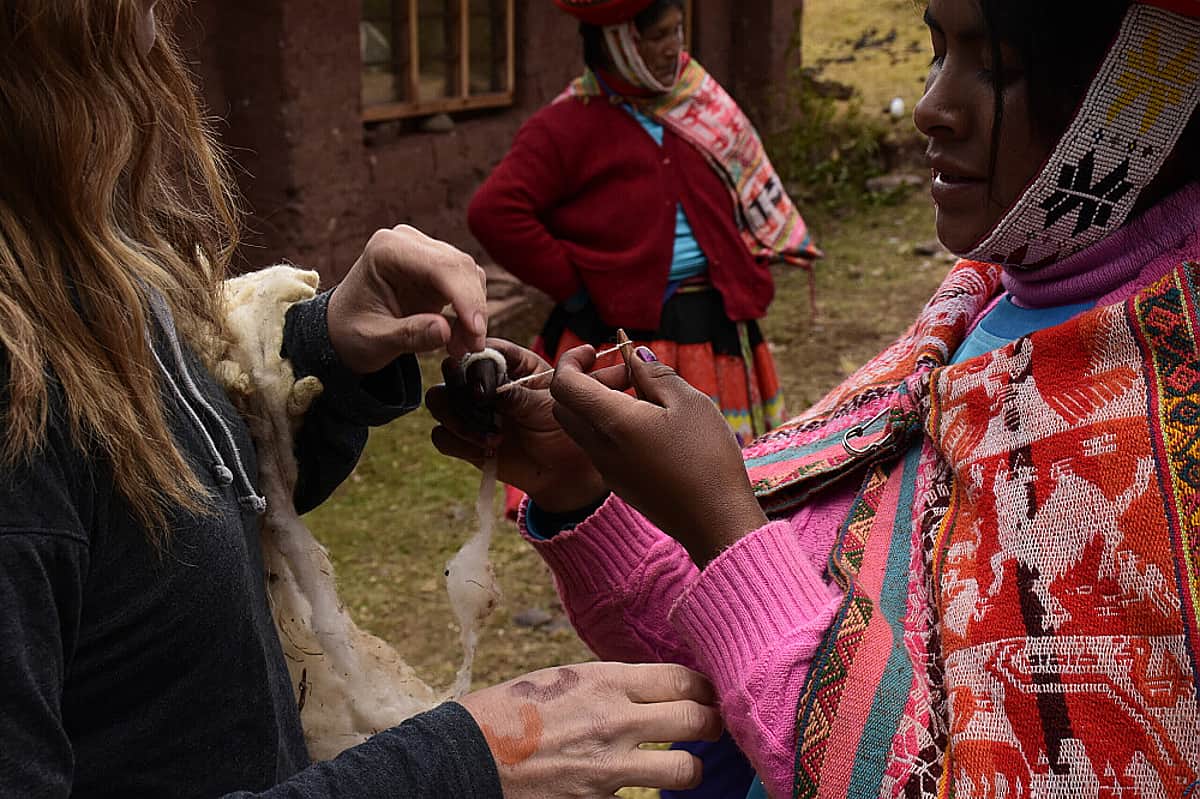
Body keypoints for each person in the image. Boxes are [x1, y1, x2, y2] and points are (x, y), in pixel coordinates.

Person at [431, 0, 1200, 796]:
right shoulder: (971, 314)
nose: (933, 106)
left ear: (1149, 86)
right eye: (936, 51)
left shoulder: (1156, 434)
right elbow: (737, 652)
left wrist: (725, 526)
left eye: (998, 67)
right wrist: (585, 489)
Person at [0, 2, 725, 797]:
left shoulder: (77, 263)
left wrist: (322, 350)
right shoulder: (19, 394)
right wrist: (462, 765)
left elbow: (162, 526)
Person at [468, 0, 820, 451]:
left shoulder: (699, 103)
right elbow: (494, 211)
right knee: (634, 473)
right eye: (659, 37)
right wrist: (573, 289)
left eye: (678, 33)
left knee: (722, 468)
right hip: (622, 337)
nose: (674, 48)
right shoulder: (568, 123)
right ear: (621, 44)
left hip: (712, 326)